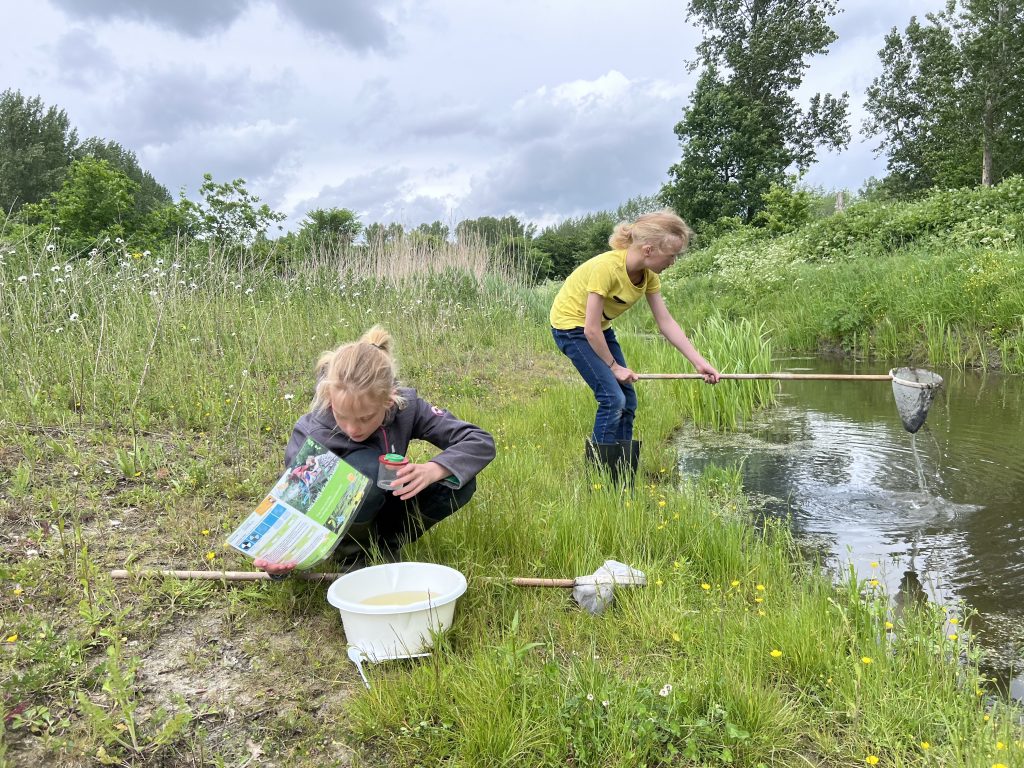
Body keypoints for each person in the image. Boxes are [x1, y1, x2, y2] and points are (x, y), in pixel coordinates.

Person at [256, 325, 495, 577]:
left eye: (365, 417)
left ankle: (389, 545)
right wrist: (278, 563)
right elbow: (296, 505)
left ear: (389, 400)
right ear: (329, 396)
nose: (352, 429)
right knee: (367, 469)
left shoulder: (407, 408)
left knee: (458, 479)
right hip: (342, 519)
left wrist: (433, 469)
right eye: (342, 416)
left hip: (393, 506)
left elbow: (479, 441)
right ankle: (353, 555)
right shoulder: (312, 432)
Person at [549, 209, 720, 482]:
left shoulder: (649, 276)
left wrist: (698, 362)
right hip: (572, 328)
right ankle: (600, 481)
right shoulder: (607, 268)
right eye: (672, 255)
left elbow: (666, 323)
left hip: (598, 330)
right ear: (649, 249)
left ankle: (623, 477)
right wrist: (614, 367)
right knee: (612, 399)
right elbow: (589, 329)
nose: (674, 262)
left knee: (628, 400)